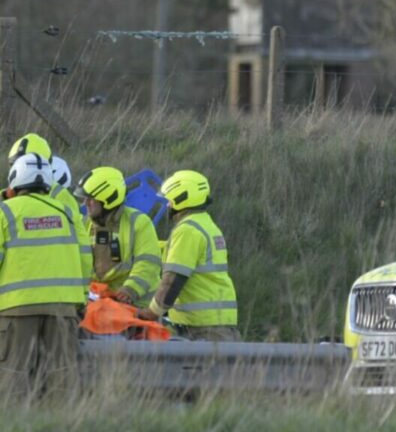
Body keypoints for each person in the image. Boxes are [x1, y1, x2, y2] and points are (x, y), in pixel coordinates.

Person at [0, 153, 87, 398]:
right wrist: (81, 300)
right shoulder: (68, 212)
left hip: (16, 309)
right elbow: (85, 257)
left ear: (14, 181)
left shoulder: (5, 212)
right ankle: (64, 421)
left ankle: (14, 422)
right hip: (63, 308)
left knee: (13, 377)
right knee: (62, 378)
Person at [145, 170, 238, 342]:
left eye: (169, 201)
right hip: (216, 323)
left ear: (181, 200)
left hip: (203, 328)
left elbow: (172, 281)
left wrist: (151, 313)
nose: (167, 206)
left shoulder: (187, 230)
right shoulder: (205, 224)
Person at [77, 166, 162, 307]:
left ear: (108, 199)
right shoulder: (83, 224)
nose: (86, 203)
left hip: (135, 305)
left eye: (91, 199)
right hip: (96, 302)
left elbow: (148, 263)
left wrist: (131, 289)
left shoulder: (139, 223)